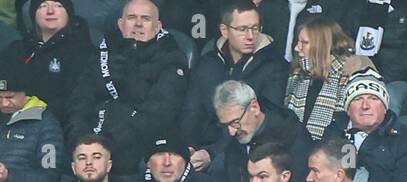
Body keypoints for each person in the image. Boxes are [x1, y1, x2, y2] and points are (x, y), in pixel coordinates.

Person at [181, 1, 290, 168]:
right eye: (242, 29)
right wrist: (188, 148)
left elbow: (262, 121)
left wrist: (212, 153)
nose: (250, 36)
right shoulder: (207, 63)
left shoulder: (275, 66)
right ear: (224, 30)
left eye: (255, 28)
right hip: (201, 149)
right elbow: (191, 112)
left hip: (245, 151)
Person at [86, 0, 187, 172]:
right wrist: (80, 140)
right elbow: (80, 102)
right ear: (120, 24)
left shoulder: (171, 57)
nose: (138, 24)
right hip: (94, 141)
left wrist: (107, 144)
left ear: (158, 26)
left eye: (146, 19)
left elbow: (157, 115)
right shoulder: (100, 53)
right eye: (132, 17)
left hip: (135, 146)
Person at [3, 0, 96, 145]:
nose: (50, 11)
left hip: (57, 131)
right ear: (33, 14)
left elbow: (76, 101)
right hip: (10, 127)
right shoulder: (17, 49)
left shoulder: (84, 52)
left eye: (58, 5)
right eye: (43, 5)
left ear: (68, 13)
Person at [210, 80, 314, 182]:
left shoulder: (291, 134)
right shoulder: (235, 142)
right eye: (226, 125)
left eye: (235, 122)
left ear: (254, 107)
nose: (231, 132)